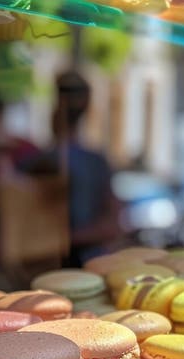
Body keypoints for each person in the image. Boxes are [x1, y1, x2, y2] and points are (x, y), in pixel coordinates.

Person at [19, 70, 121, 265]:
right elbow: (112, 225)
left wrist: (62, 239)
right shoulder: (37, 160)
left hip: (75, 261)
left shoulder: (93, 161)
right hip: (63, 261)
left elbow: (111, 225)